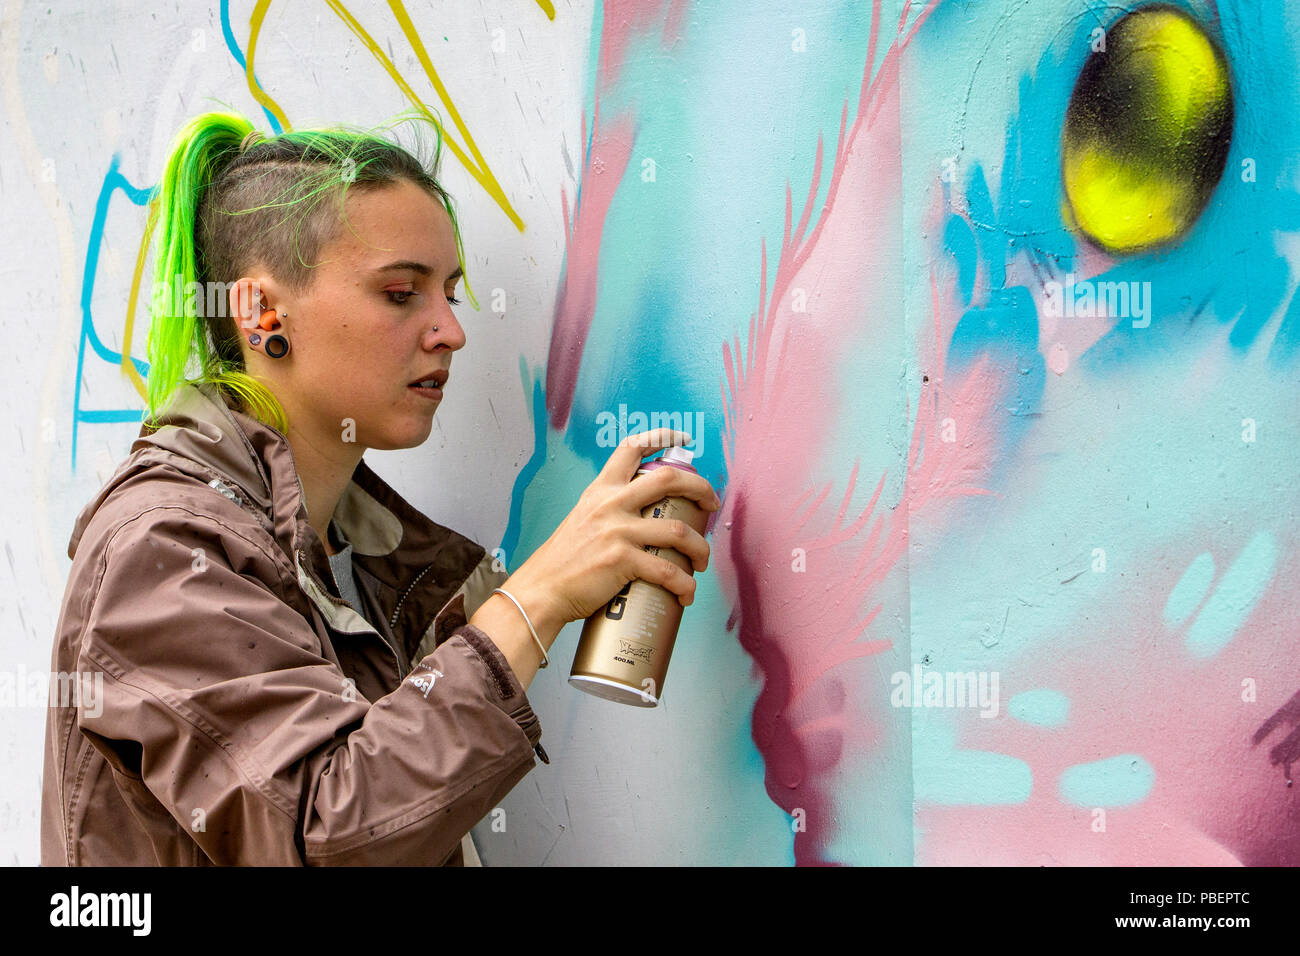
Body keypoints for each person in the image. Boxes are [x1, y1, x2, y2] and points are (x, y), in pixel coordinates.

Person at [40, 110, 719, 866]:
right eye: (402, 294)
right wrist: (540, 599)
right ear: (264, 313)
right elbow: (323, 832)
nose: (450, 331)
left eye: (451, 295)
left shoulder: (368, 557)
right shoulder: (165, 546)